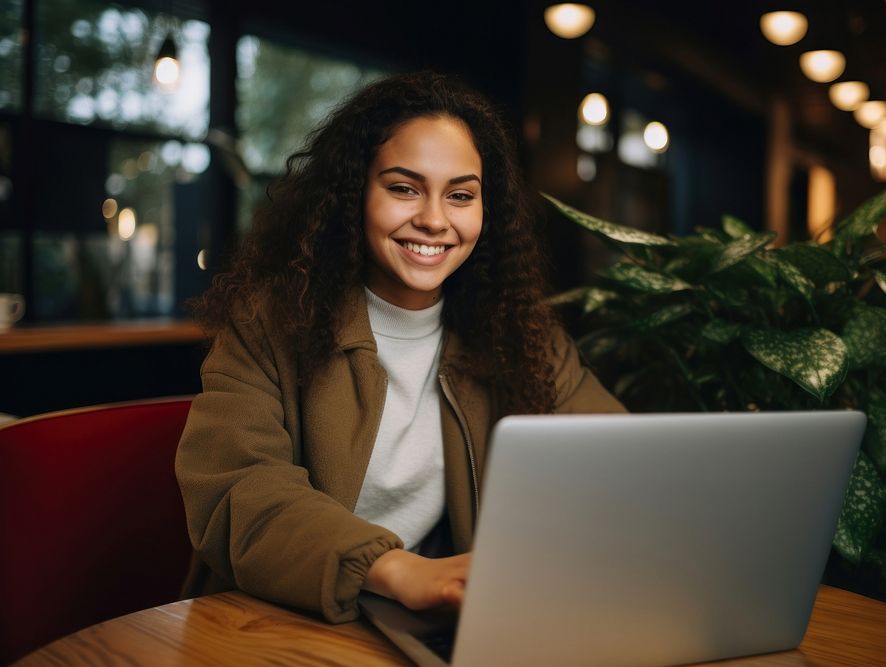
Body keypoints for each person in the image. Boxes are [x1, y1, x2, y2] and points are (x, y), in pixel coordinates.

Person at [175, 71, 625, 624]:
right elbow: (239, 490)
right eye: (404, 188)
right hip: (274, 620)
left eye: (461, 195)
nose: (434, 220)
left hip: (440, 618)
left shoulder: (520, 334)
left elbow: (621, 461)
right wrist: (396, 569)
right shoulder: (269, 321)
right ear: (354, 194)